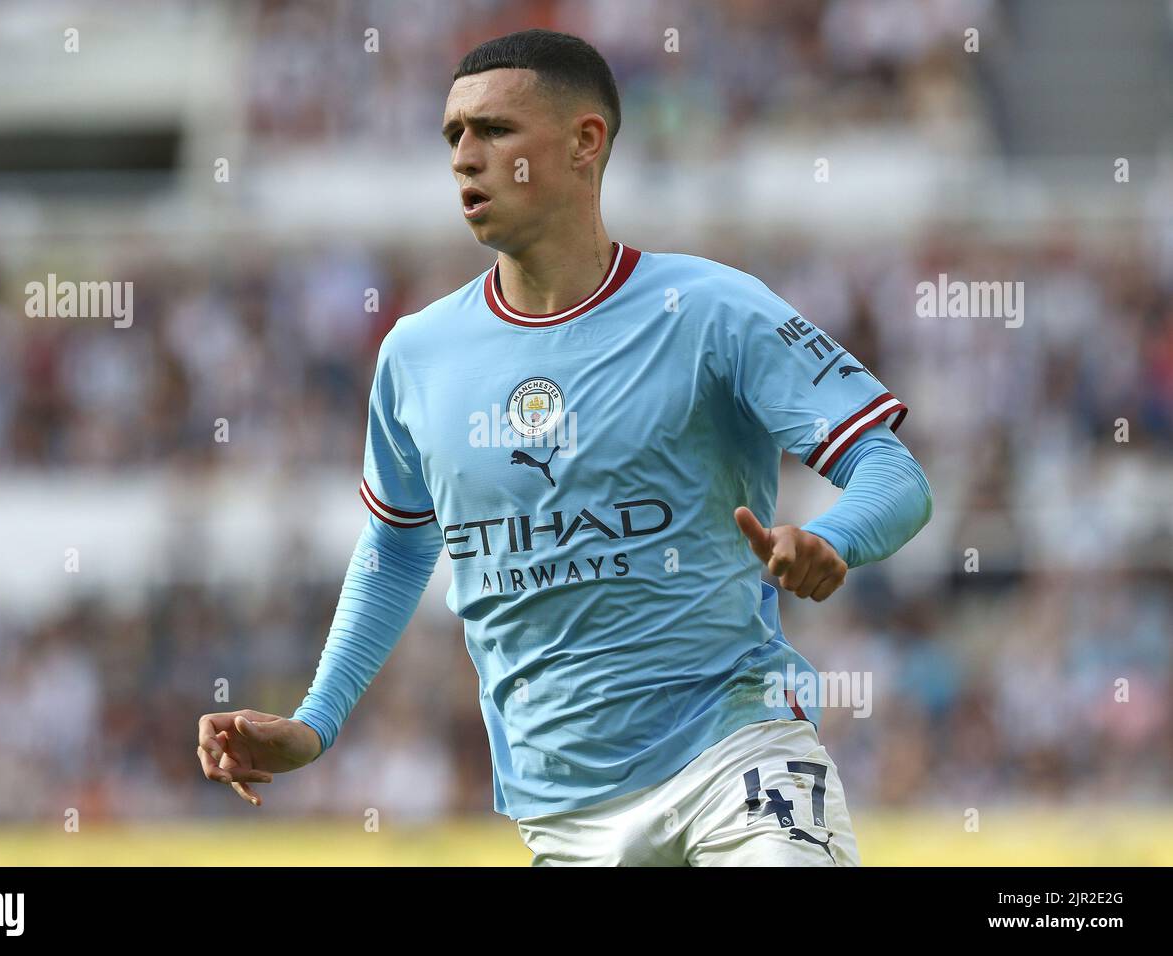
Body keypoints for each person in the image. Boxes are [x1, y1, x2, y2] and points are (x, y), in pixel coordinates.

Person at [197, 28, 932, 866]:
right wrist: (315, 721)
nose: (464, 157)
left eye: (494, 130)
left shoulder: (713, 312)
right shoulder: (417, 354)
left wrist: (831, 538)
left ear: (586, 141)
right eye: (452, 137)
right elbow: (399, 547)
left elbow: (893, 471)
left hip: (737, 757)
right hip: (562, 815)